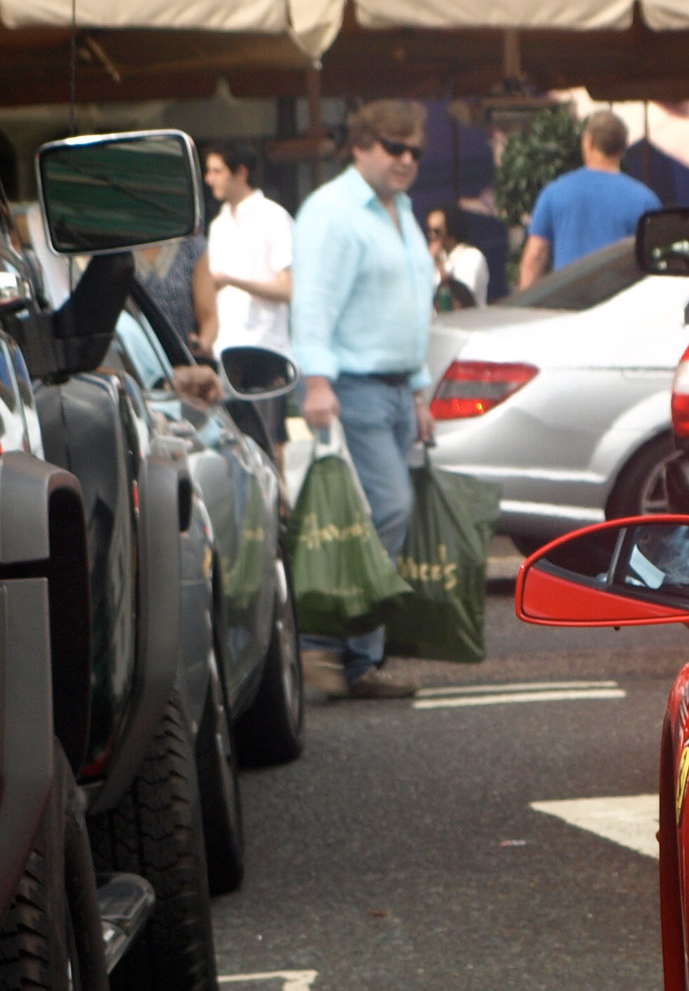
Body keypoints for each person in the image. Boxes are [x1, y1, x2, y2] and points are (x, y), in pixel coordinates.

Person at [291, 99, 438, 701]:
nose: (406, 160)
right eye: (393, 147)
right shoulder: (332, 211)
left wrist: (421, 390)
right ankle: (332, 645)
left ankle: (351, 654)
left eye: (415, 151)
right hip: (352, 386)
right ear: (359, 146)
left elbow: (410, 306)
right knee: (387, 510)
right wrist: (317, 382)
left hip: (396, 388)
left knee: (367, 519)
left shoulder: (400, 210)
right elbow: (313, 302)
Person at [520, 110, 660, 285]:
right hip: (621, 299)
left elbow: (535, 255)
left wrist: (526, 298)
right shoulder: (645, 200)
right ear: (623, 147)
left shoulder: (553, 193)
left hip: (568, 297)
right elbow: (657, 260)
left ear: (589, 142)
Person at [193, 142, 294, 357]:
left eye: (217, 171)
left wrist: (232, 281)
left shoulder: (274, 217)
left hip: (267, 348)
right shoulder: (218, 224)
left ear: (241, 173)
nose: (209, 179)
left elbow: (288, 289)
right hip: (225, 349)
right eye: (209, 171)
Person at [425, 207, 489, 309]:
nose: (432, 236)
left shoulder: (472, 257)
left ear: (451, 231)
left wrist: (439, 267)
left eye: (437, 231)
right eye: (429, 230)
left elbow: (462, 300)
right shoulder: (436, 258)